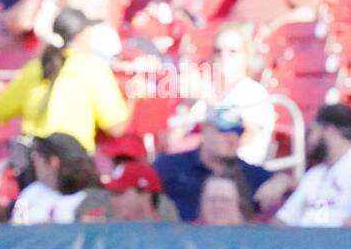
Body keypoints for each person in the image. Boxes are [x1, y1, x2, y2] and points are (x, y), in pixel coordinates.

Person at [0, 8, 130, 153]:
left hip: (36, 160)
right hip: (72, 162)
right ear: (82, 35)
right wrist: (134, 99)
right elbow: (116, 128)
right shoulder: (92, 68)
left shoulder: (35, 68)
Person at [273, 103, 351, 227]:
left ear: (330, 131)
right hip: (307, 245)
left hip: (349, 247)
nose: (309, 140)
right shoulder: (314, 175)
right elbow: (283, 221)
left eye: (312, 131)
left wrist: (322, 247)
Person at [170, 23, 275, 166]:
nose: (224, 56)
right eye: (218, 51)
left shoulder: (253, 92)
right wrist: (187, 105)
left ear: (246, 55)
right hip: (206, 166)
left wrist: (210, 104)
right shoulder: (209, 90)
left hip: (239, 170)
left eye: (232, 51)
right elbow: (172, 142)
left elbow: (244, 139)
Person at [154, 104, 281, 222]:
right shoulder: (170, 165)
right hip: (178, 241)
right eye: (224, 130)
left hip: (233, 243)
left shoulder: (249, 172)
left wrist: (282, 181)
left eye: (238, 131)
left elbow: (291, 188)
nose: (231, 137)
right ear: (205, 129)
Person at [10, 133, 101, 224]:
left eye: (38, 157)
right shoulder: (31, 193)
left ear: (54, 162)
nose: (35, 162)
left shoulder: (92, 200)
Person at [103, 161, 171, 222]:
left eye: (119, 193)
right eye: (112, 194)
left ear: (145, 196)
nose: (112, 200)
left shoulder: (168, 233)